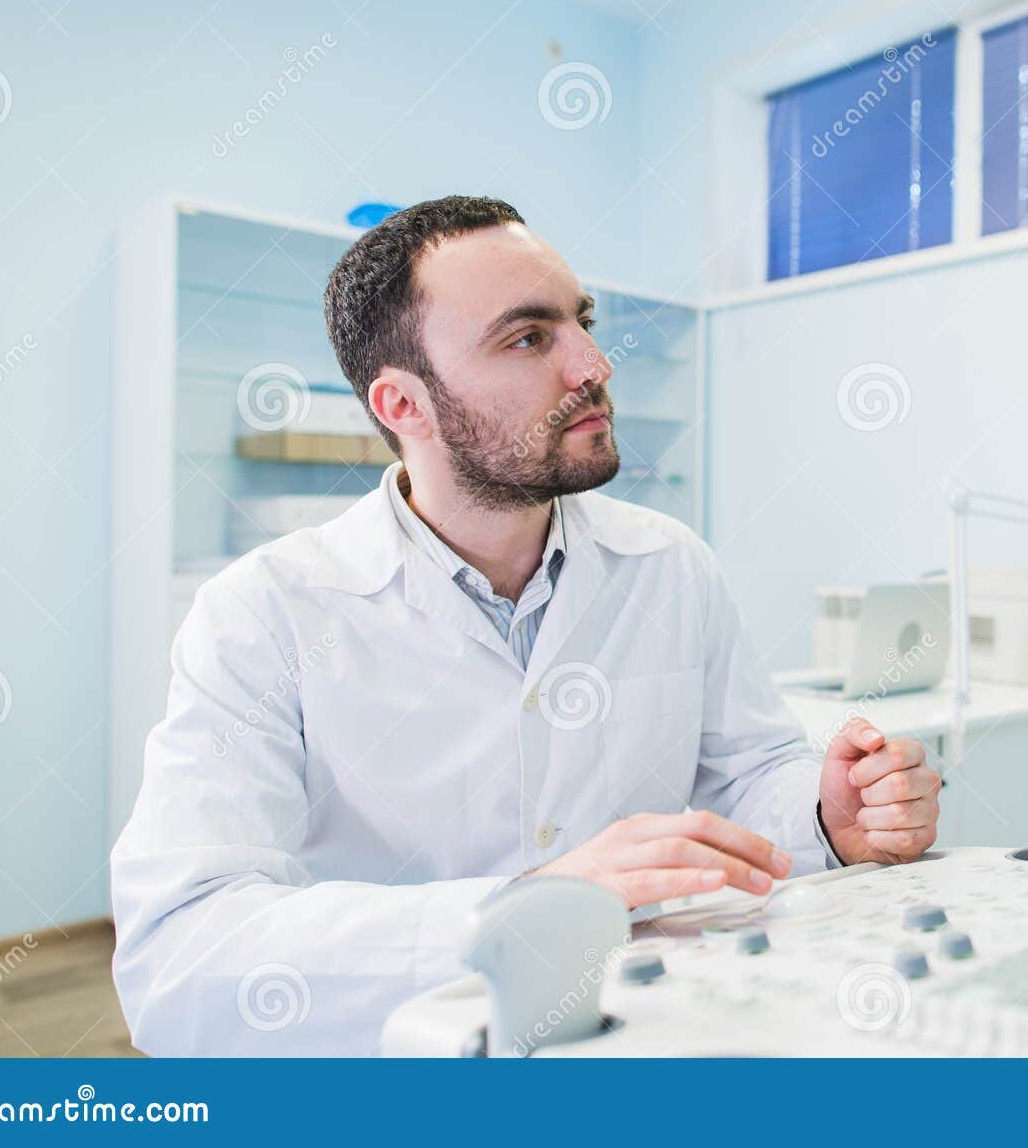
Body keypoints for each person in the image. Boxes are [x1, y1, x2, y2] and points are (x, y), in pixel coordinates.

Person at [109, 196, 941, 1055]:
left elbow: (746, 771)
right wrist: (526, 906)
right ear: (404, 406)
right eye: (527, 337)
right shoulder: (264, 613)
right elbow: (184, 954)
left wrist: (824, 814)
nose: (592, 363)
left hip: (637, 1035)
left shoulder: (669, 564)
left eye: (582, 322)